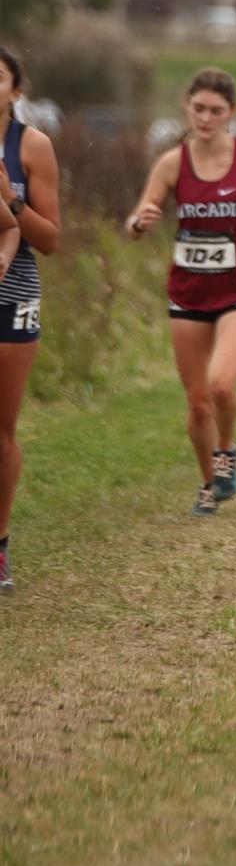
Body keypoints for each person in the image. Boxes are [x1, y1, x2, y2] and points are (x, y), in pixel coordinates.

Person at [126, 68, 236, 516]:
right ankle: (206, 482)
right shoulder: (172, 163)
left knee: (220, 383)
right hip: (189, 293)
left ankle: (226, 451)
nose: (207, 118)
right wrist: (140, 223)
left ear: (232, 113)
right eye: (199, 109)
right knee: (198, 406)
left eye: (217, 111)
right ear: (187, 107)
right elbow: (139, 216)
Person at [0, 49, 36, 591]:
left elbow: (44, 236)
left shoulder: (31, 147)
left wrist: (13, 203)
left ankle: (0, 544)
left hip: (13, 295)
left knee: (1, 430)